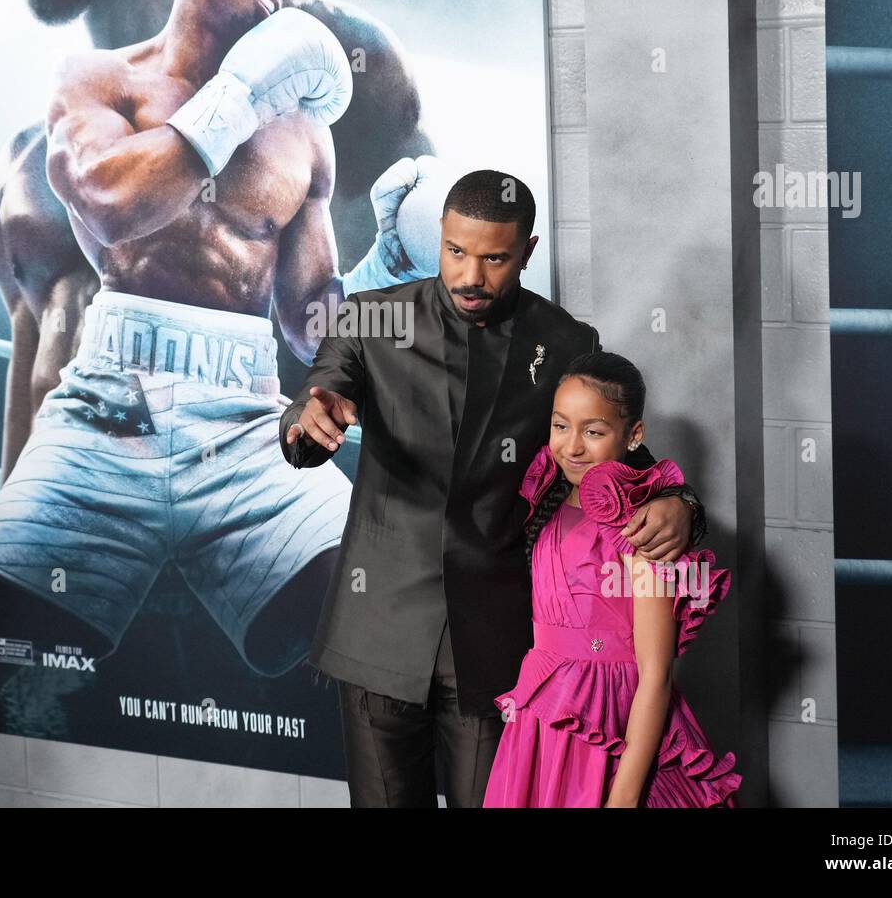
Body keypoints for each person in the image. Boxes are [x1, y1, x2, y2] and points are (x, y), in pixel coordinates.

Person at [0, 0, 432, 724]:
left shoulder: (303, 134)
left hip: (245, 424)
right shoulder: (97, 82)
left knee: (389, 613)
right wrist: (235, 97)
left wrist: (390, 271)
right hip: (109, 408)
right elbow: (116, 205)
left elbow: (310, 326)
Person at [0, 0, 435, 471]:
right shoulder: (32, 174)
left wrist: (388, 268)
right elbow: (25, 462)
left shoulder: (337, 83)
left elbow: (345, 332)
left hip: (271, 521)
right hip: (94, 533)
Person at [278, 169, 708, 807]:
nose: (470, 277)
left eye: (493, 258)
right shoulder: (372, 318)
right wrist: (305, 423)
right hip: (377, 630)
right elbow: (318, 397)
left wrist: (683, 506)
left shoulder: (564, 342)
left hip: (495, 643)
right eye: (455, 252)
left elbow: (614, 454)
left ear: (528, 252)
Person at [482, 351, 741, 807]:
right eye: (561, 426)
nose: (573, 446)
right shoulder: (549, 501)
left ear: (634, 434)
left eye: (594, 431)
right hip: (541, 726)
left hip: (615, 725)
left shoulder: (641, 527)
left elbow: (656, 674)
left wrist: (622, 798)